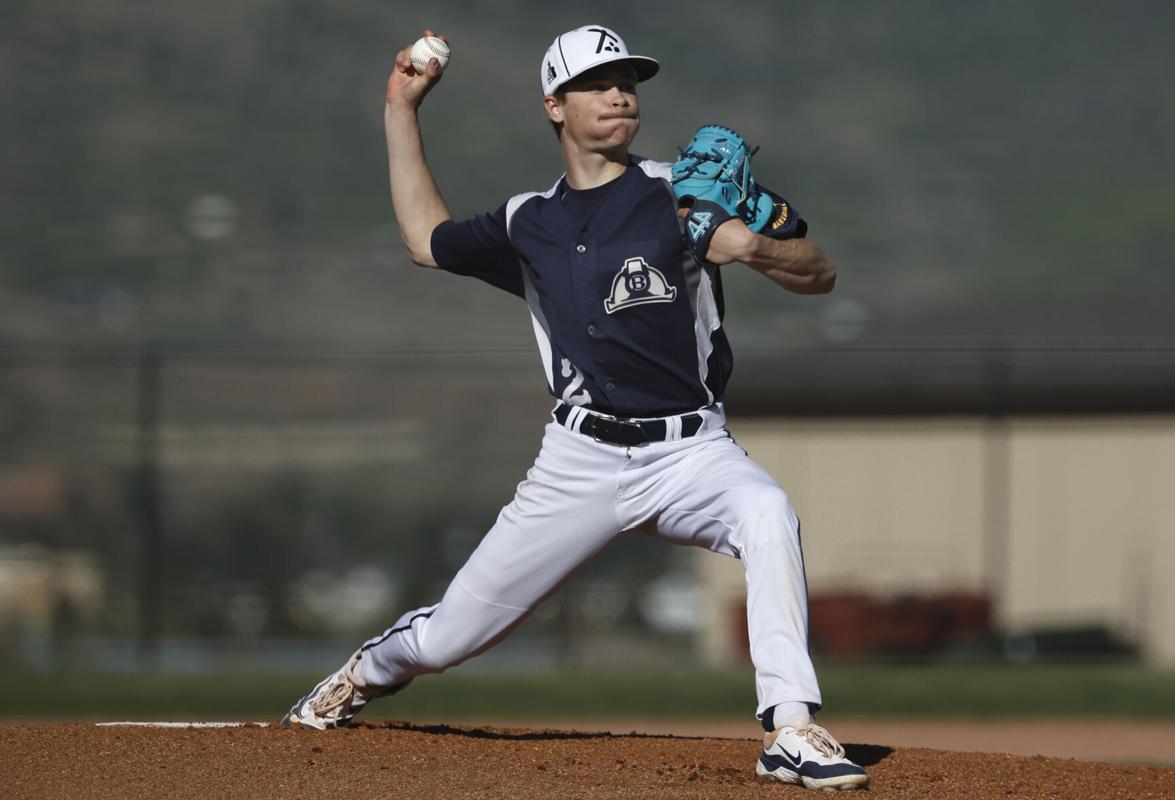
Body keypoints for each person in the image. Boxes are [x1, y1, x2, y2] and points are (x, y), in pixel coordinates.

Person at [283, 24, 868, 791]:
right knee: (451, 637)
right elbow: (426, 241)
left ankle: (789, 728)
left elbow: (820, 272)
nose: (619, 94)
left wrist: (752, 245)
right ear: (554, 106)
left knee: (767, 512)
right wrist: (402, 109)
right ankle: (364, 673)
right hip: (578, 459)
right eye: (596, 83)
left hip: (690, 451)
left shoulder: (685, 192)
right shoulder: (530, 221)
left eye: (627, 82)